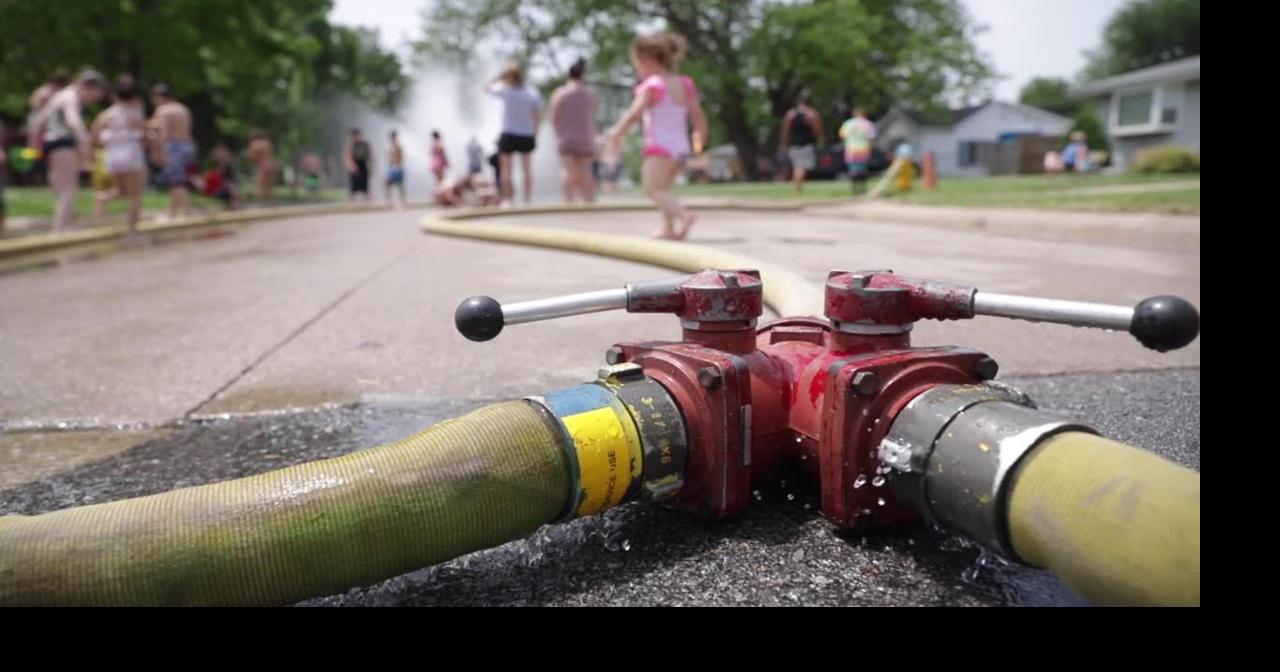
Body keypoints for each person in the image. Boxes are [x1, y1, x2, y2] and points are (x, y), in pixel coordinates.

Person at [605, 32, 707, 240]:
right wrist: (700, 134)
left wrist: (617, 132)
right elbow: (697, 114)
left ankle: (683, 215)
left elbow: (634, 113)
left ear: (648, 61)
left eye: (638, 66)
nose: (639, 71)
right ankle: (668, 228)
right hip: (680, 146)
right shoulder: (684, 83)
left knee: (653, 188)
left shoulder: (652, 85)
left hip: (660, 146)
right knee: (665, 188)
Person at [31, 70, 108, 232]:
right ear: (88, 87)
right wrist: (85, 139)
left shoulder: (59, 96)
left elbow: (38, 121)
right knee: (69, 192)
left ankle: (68, 227)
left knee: (62, 192)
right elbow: (73, 119)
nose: (92, 99)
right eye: (94, 94)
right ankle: (59, 233)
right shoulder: (70, 96)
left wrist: (34, 144)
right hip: (63, 143)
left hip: (51, 144)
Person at [90, 75, 148, 235]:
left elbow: (94, 134)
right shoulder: (135, 114)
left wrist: (94, 153)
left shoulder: (107, 114)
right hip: (131, 153)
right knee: (135, 195)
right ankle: (132, 230)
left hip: (113, 155)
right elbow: (151, 133)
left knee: (121, 190)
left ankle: (101, 201)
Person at [486, 63, 543, 205]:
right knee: (527, 170)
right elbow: (537, 116)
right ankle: (527, 200)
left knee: (506, 170)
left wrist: (498, 77)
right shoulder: (532, 93)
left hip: (509, 134)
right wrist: (535, 134)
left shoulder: (506, 91)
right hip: (527, 134)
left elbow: (486, 88)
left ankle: (508, 199)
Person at [550, 58, 598, 204]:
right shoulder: (589, 94)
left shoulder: (560, 93)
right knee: (586, 172)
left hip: (566, 138)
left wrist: (559, 132)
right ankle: (589, 201)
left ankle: (568, 202)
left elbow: (554, 117)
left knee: (568, 171)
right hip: (585, 137)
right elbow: (592, 113)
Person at [148, 83, 196, 220]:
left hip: (174, 146)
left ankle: (187, 212)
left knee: (176, 182)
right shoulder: (183, 109)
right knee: (179, 180)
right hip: (188, 145)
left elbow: (160, 131)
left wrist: (156, 148)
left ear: (158, 97)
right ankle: (173, 212)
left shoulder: (163, 110)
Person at [778, 92, 823, 196]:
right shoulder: (811, 114)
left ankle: (796, 190)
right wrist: (820, 140)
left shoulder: (790, 114)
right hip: (806, 144)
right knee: (801, 168)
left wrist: (783, 144)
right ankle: (797, 191)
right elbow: (818, 130)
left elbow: (785, 131)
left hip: (793, 145)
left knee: (796, 167)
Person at [839, 107, 876, 195]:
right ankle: (863, 189)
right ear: (864, 114)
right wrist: (871, 148)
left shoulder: (848, 123)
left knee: (853, 170)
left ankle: (854, 189)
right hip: (863, 149)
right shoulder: (868, 124)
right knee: (862, 170)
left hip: (851, 149)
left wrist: (848, 142)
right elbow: (871, 138)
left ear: (854, 114)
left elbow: (842, 136)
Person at [202, 142, 242, 210]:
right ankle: (236, 204)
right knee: (231, 186)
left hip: (225, 188)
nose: (220, 154)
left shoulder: (228, 167)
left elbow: (233, 180)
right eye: (218, 152)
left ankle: (236, 204)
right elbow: (206, 178)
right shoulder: (211, 164)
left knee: (231, 186)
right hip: (214, 190)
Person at [343, 128, 372, 201]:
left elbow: (369, 155)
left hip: (363, 163)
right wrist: (351, 165)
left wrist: (370, 165)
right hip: (354, 164)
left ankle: (366, 197)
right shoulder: (351, 144)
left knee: (364, 182)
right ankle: (353, 198)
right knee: (354, 183)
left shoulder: (364, 144)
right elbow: (347, 155)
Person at [248, 129, 276, 205]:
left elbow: (252, 157)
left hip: (262, 165)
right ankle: (271, 202)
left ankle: (259, 203)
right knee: (269, 186)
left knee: (260, 185)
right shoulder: (267, 143)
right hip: (271, 164)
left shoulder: (254, 144)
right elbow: (271, 153)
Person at [386, 130, 406, 208]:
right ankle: (390, 201)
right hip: (391, 166)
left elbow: (401, 156)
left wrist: (399, 165)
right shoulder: (389, 146)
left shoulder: (398, 146)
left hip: (397, 166)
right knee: (388, 183)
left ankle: (402, 201)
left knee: (399, 184)